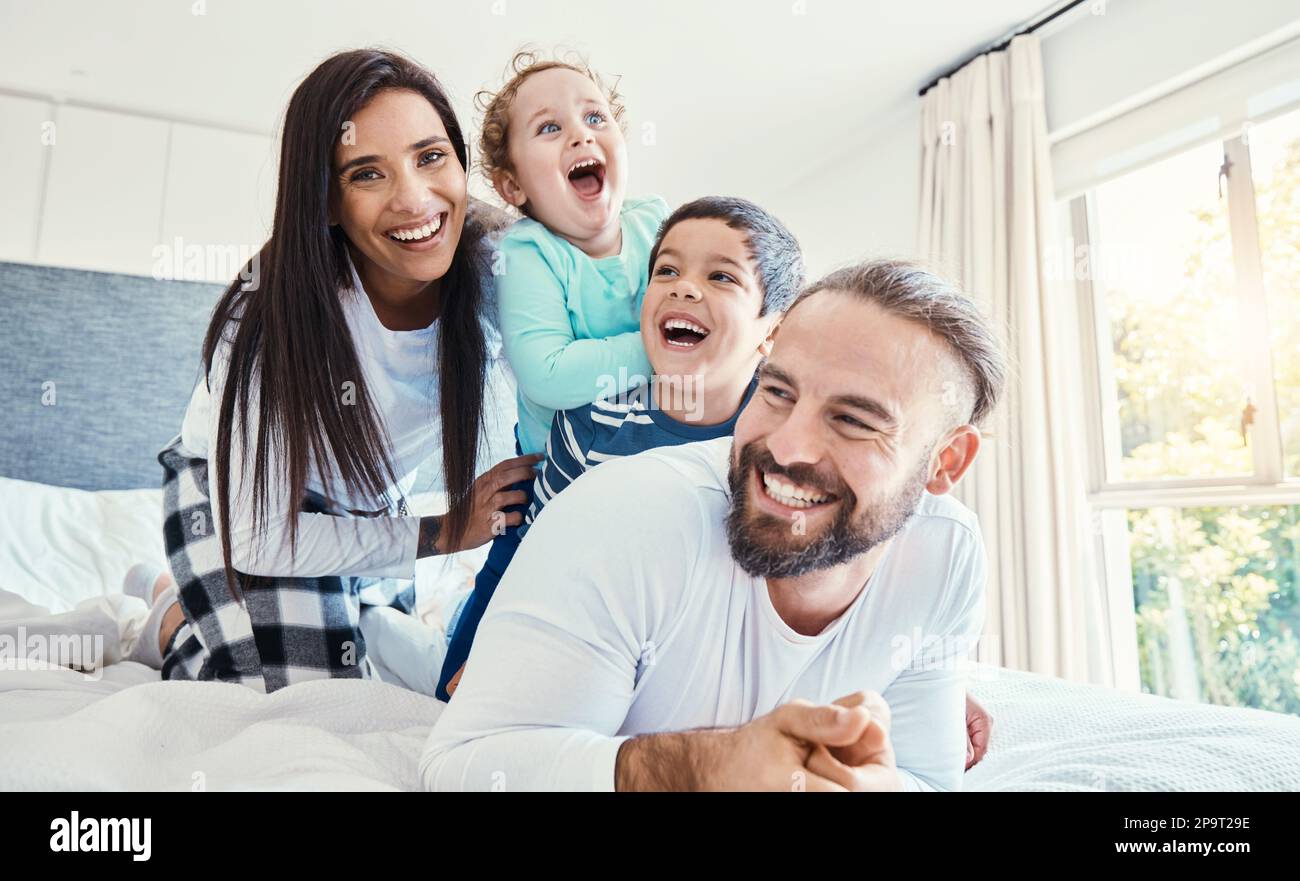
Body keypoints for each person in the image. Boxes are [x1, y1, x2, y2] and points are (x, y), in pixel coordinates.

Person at [421, 259, 1006, 791]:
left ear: (945, 462)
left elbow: (924, 776)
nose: (789, 446)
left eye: (853, 420)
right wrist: (710, 767)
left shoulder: (945, 553)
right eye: (777, 391)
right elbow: (464, 767)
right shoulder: (631, 514)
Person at [127, 49, 536, 692]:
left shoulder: (507, 268)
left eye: (431, 157)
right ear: (324, 201)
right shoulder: (267, 318)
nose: (414, 199)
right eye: (367, 174)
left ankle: (206, 601)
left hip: (364, 493)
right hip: (239, 501)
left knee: (401, 667)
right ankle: (167, 618)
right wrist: (445, 530)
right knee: (299, 699)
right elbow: (261, 540)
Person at [436, 195, 801, 699]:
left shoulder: (783, 437)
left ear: (773, 331)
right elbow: (535, 558)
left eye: (721, 277)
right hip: (590, 629)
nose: (685, 288)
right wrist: (492, 652)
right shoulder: (595, 422)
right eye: (667, 271)